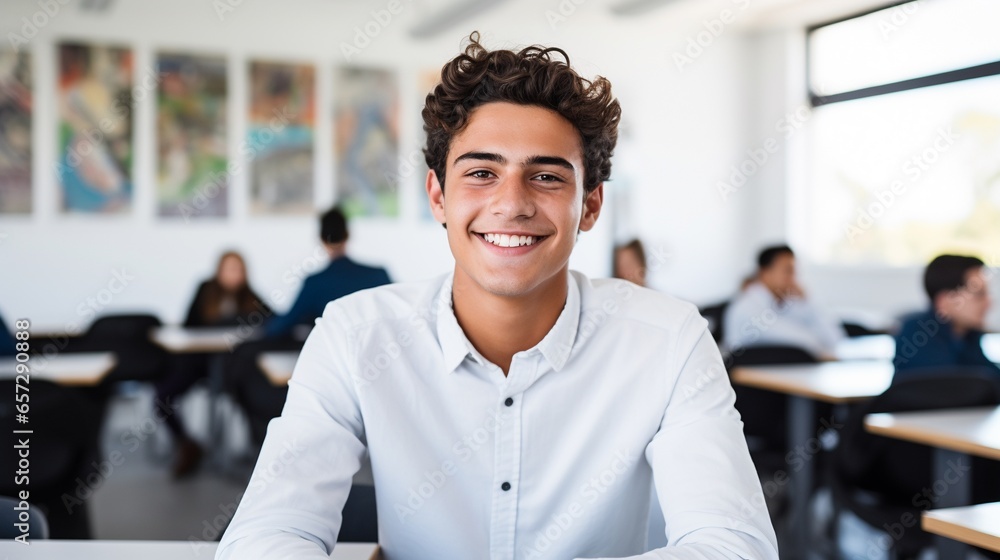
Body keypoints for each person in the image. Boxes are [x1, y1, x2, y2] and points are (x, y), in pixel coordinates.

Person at [218, 32, 777, 560]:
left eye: (547, 177)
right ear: (438, 196)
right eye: (482, 173)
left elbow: (734, 546)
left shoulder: (671, 341)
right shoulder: (354, 334)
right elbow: (267, 533)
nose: (511, 204)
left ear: (590, 205)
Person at [155, 251, 270, 478]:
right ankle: (187, 445)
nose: (233, 275)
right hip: (198, 364)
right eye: (228, 269)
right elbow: (188, 325)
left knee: (254, 393)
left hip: (232, 368)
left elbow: (273, 319)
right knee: (163, 395)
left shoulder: (250, 295)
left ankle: (259, 451)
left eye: (238, 269)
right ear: (218, 270)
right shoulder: (204, 290)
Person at [262, 206, 391, 339]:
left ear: (321, 238)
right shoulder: (379, 275)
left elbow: (279, 328)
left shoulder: (315, 283)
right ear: (348, 234)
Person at [723, 244, 844, 358]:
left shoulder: (789, 303)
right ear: (765, 273)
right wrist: (818, 345)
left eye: (795, 271)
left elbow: (834, 339)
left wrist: (808, 300)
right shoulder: (746, 307)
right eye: (788, 271)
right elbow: (805, 341)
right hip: (752, 376)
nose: (794, 278)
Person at [893, 254, 998, 380]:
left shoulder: (968, 335)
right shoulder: (917, 336)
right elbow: (955, 388)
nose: (989, 302)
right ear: (945, 301)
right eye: (979, 294)